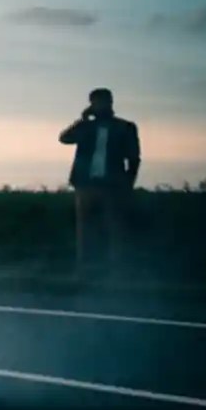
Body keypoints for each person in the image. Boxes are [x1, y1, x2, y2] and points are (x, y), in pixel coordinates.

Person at [58, 87, 141, 273]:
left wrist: (128, 184)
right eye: (95, 102)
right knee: (84, 228)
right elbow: (64, 138)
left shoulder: (124, 127)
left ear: (110, 102)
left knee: (114, 227)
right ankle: (85, 266)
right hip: (86, 183)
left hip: (112, 185)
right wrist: (82, 119)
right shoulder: (85, 127)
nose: (99, 105)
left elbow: (134, 158)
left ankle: (116, 267)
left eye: (102, 102)